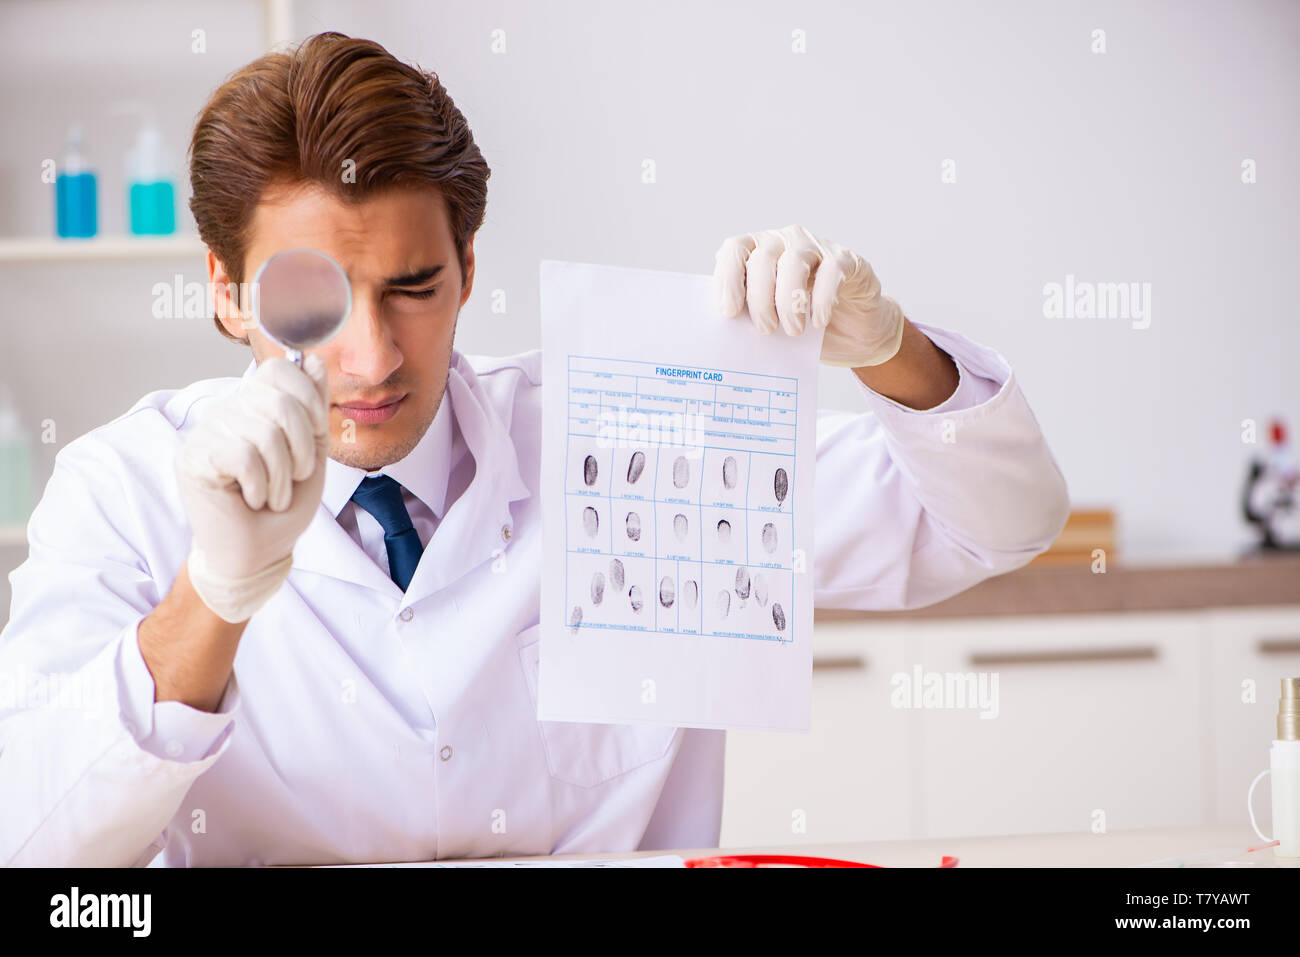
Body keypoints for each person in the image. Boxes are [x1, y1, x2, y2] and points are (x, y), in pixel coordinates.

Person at [0, 32, 1069, 866]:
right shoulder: (122, 489)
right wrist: (214, 599)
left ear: (466, 267)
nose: (369, 359)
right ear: (226, 293)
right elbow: (28, 840)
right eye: (308, 302)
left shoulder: (628, 428)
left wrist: (891, 351)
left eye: (413, 289)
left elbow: (997, 527)